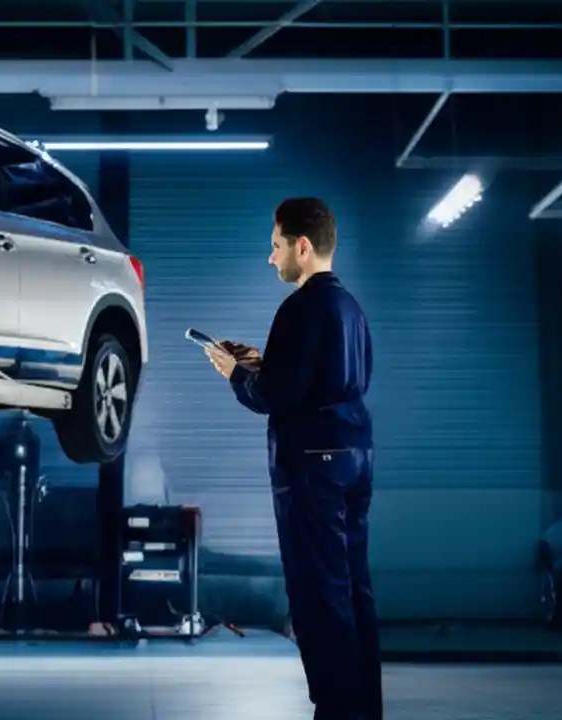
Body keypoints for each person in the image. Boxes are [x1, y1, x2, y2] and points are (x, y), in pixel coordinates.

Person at [204, 197, 380, 720]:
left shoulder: (300, 307)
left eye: (276, 244)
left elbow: (274, 396)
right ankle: (363, 710)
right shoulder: (350, 307)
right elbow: (313, 376)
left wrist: (235, 374)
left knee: (318, 595)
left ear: (302, 246)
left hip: (312, 466)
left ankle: (335, 710)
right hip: (356, 457)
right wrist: (261, 362)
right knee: (353, 588)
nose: (270, 257)